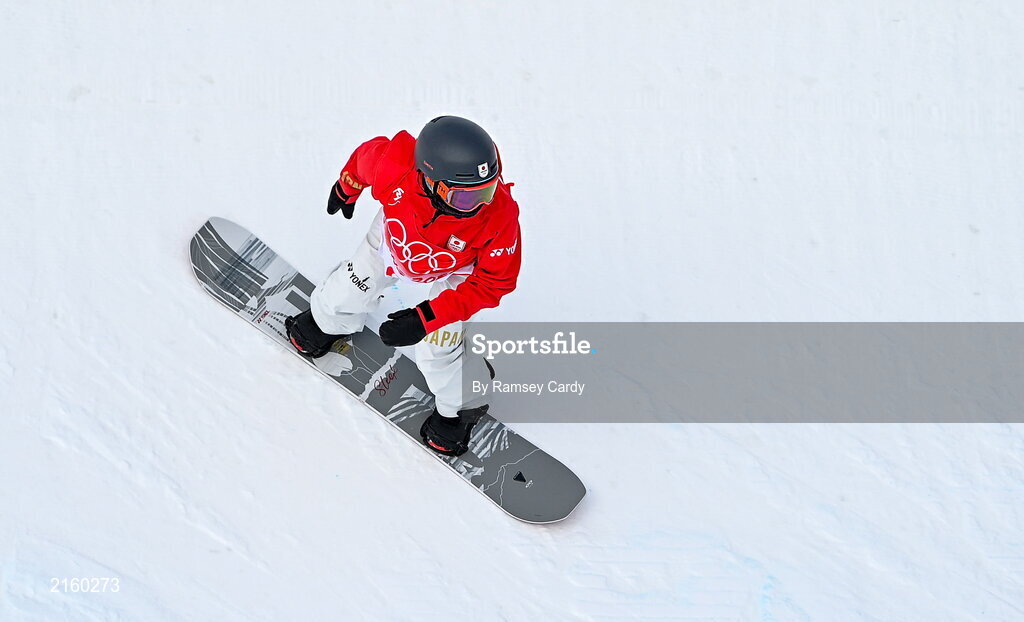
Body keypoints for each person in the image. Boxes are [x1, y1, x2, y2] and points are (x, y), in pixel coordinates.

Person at [285, 116, 521, 457]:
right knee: (352, 284)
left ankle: (462, 405)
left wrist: (426, 318)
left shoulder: (498, 216)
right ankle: (328, 321)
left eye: (487, 191)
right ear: (432, 181)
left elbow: (494, 282)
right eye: (466, 198)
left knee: (439, 345)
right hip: (395, 240)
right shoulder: (394, 165)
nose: (482, 204)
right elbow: (363, 161)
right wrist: (347, 186)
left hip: (459, 269)